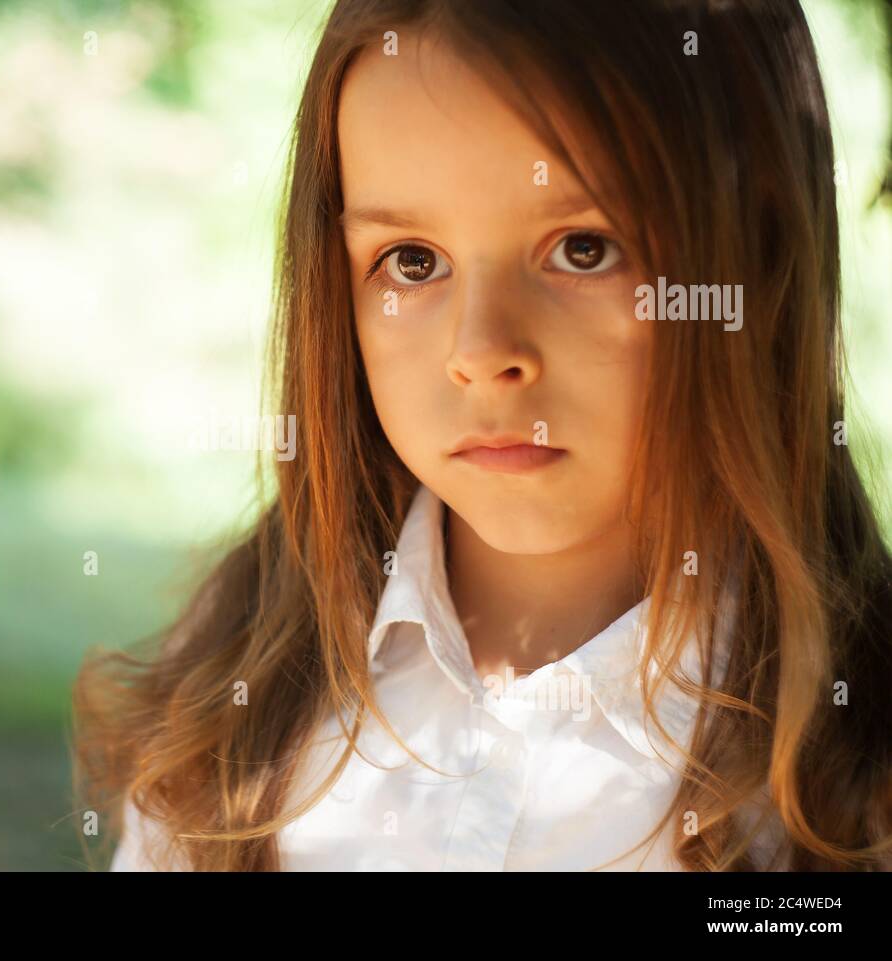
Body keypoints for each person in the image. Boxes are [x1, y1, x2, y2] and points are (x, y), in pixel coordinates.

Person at [73, 0, 892, 871]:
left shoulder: (856, 772)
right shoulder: (240, 676)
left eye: (583, 249)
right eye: (413, 261)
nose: (481, 353)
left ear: (757, 264)